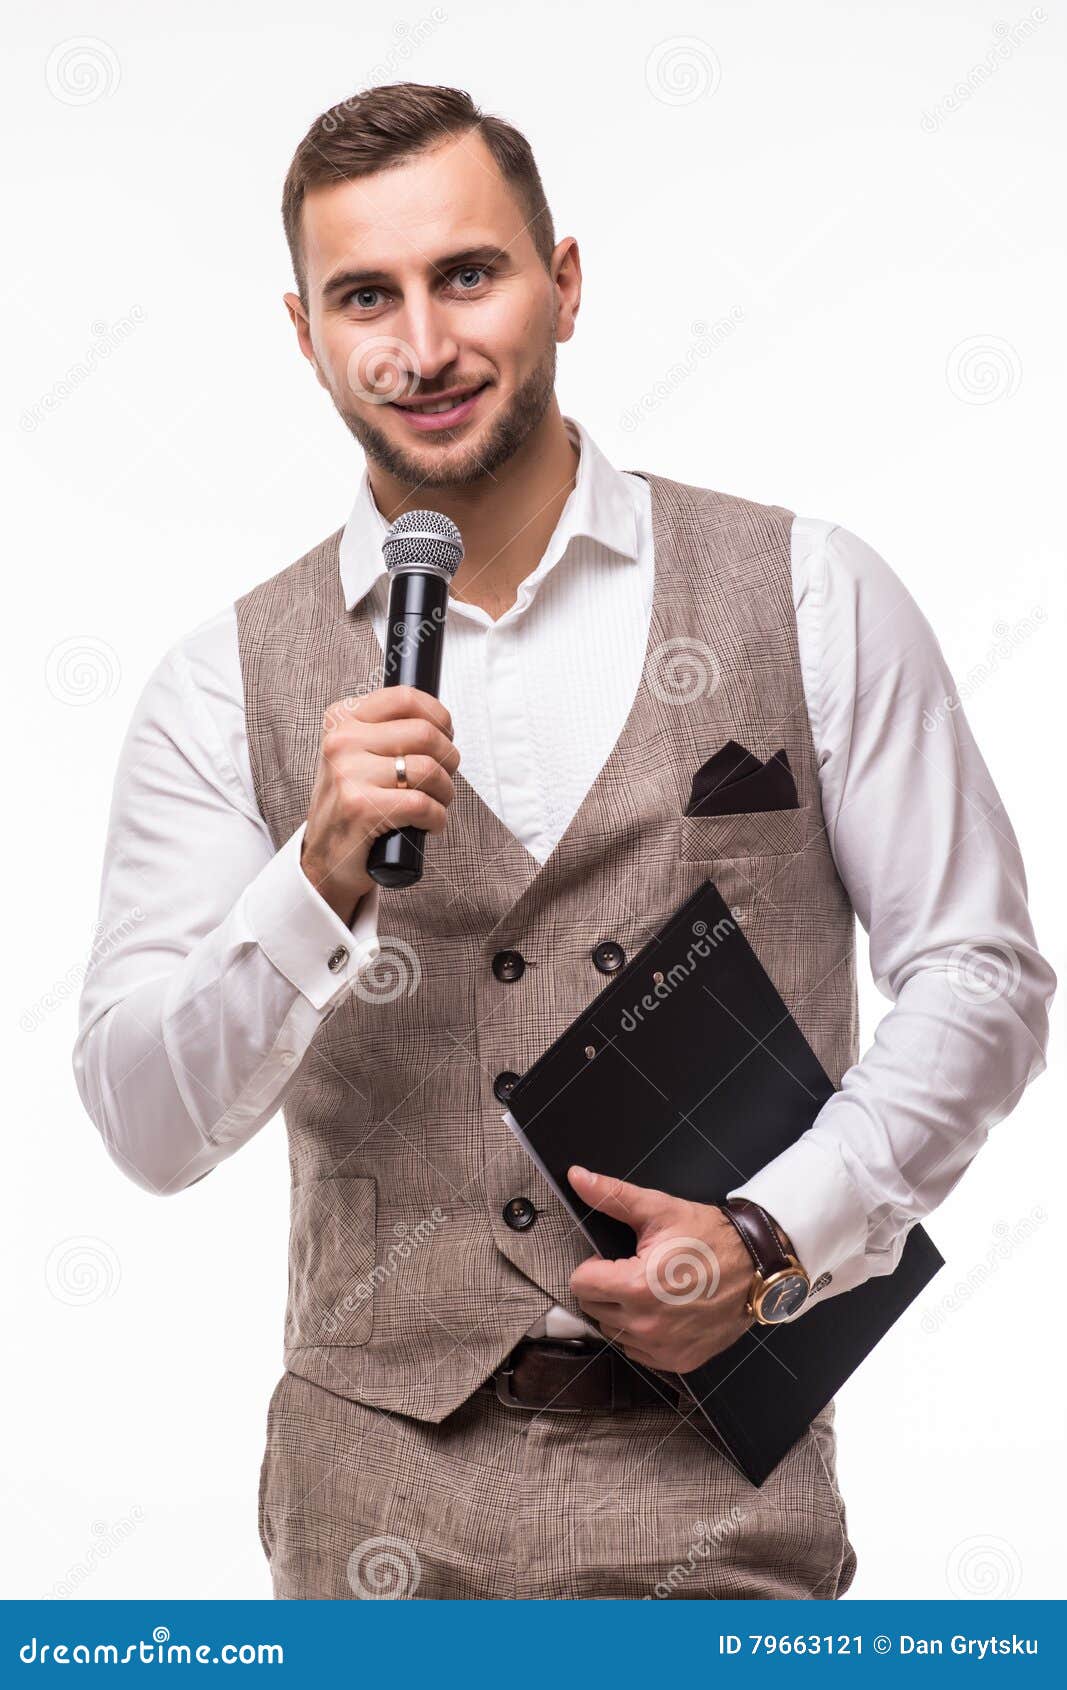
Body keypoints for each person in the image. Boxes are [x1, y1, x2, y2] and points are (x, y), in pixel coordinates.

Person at [72, 82, 1055, 1601]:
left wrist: (773, 1231)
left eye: (467, 274)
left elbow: (982, 974)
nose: (423, 345)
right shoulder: (224, 680)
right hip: (368, 1511)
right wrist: (313, 877)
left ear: (565, 281)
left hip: (725, 1496)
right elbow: (143, 1121)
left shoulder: (808, 591)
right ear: (305, 330)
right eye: (364, 296)